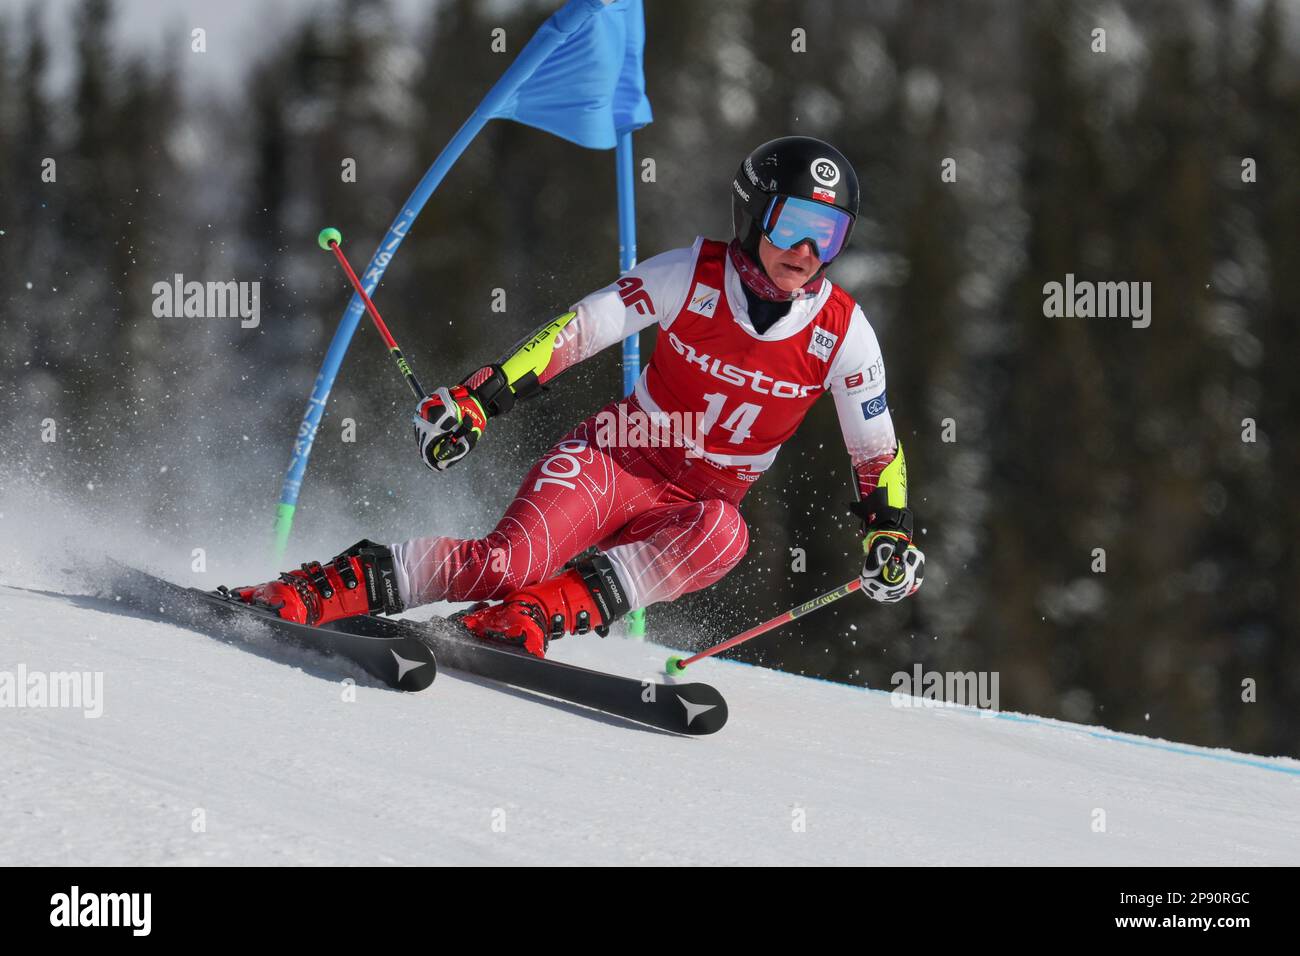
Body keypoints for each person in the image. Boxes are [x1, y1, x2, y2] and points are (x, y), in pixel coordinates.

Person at [233, 135, 925, 658]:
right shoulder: (691, 274)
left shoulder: (843, 333)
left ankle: (523, 618)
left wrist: (890, 533)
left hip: (695, 507)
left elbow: (877, 450)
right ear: (753, 215)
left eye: (826, 234)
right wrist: (483, 399)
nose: (805, 250)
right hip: (620, 460)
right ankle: (318, 588)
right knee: (506, 564)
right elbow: (580, 329)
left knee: (725, 535)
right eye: (791, 224)